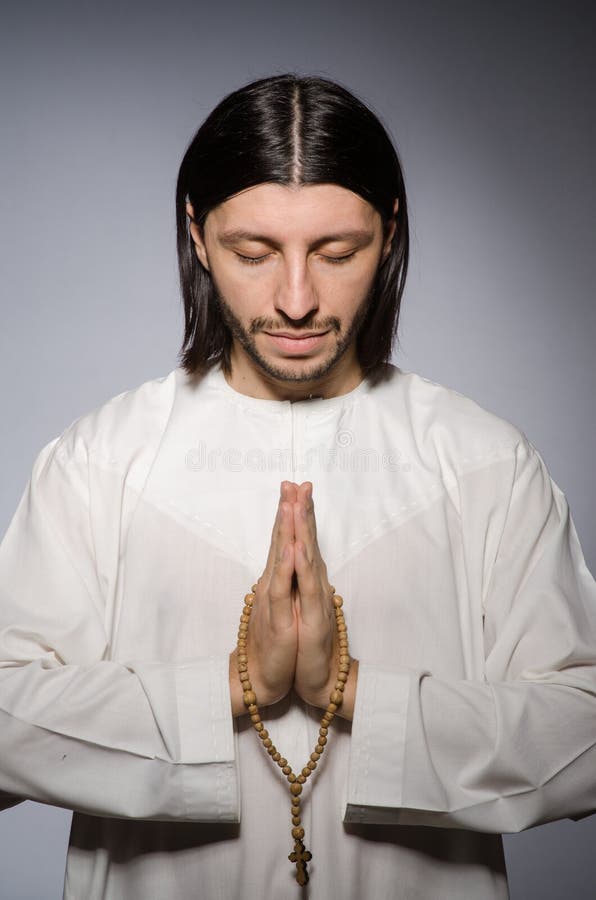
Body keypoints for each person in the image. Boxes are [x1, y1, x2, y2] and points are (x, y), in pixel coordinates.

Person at [1, 73, 595, 900]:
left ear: (388, 235)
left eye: (336, 252)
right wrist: (231, 687)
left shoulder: (482, 462)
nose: (296, 300)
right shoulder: (101, 462)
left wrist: (351, 693)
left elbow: (585, 731)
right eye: (253, 253)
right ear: (197, 238)